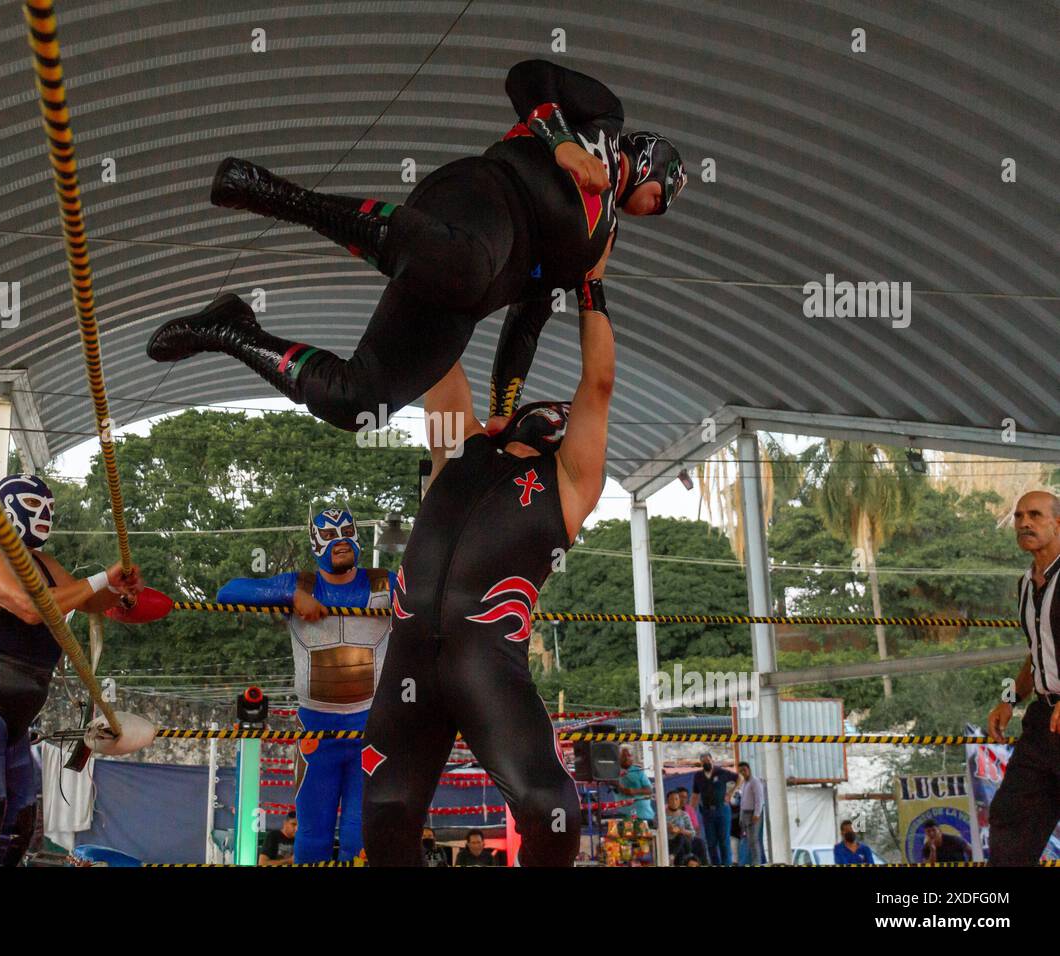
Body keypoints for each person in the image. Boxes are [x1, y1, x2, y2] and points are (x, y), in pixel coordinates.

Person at [146, 59, 684, 433]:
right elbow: (527, 77)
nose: (658, 208)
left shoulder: (599, 242)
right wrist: (563, 143)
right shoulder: (604, 122)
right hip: (480, 199)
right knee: (465, 266)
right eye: (664, 195)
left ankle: (229, 329)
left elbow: (527, 321)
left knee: (361, 403)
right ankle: (275, 195)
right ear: (656, 161)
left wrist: (504, 409)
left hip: (464, 292)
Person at [359, 277, 616, 867]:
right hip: (412, 665)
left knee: (549, 808)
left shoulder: (569, 484)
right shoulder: (461, 449)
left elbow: (597, 386)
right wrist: (441, 270)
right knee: (387, 812)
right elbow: (438, 354)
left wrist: (591, 288)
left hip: (486, 668)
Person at [0, 474, 141, 866]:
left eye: (48, 508)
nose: (43, 516)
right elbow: (34, 608)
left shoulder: (43, 563)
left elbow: (85, 600)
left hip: (17, 709)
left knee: (18, 826)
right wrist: (100, 579)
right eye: (32, 507)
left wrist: (117, 591)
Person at [217, 504, 391, 863]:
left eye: (346, 532)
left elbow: (434, 593)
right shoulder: (298, 584)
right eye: (328, 535)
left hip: (370, 725)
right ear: (314, 542)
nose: (339, 541)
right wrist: (290, 597)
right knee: (312, 832)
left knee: (362, 834)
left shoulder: (384, 583)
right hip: (316, 726)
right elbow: (228, 593)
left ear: (357, 536)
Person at [986, 490, 1060, 865]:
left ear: (1058, 523)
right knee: (1009, 818)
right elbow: (1036, 654)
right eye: (1018, 517)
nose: (1025, 523)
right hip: (1042, 725)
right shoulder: (1025, 585)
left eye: (1035, 515)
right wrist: (1008, 699)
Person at [691, 753, 738, 866]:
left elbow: (739, 778)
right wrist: (690, 812)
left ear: (712, 760)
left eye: (708, 760)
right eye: (703, 761)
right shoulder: (698, 776)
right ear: (701, 763)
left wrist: (731, 793)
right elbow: (695, 795)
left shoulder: (721, 772)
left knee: (724, 841)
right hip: (707, 812)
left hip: (722, 810)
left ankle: (726, 864)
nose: (706, 762)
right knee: (711, 843)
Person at [613, 747, 655, 824]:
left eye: (629, 755)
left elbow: (649, 790)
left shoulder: (638, 771)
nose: (626, 758)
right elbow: (622, 789)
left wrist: (633, 791)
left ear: (632, 757)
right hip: (625, 816)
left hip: (645, 816)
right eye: (623, 756)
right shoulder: (613, 771)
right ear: (618, 757)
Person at [735, 762, 765, 866]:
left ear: (749, 769)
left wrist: (757, 814)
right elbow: (742, 801)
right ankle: (751, 862)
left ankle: (756, 863)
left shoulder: (755, 782)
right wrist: (741, 817)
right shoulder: (744, 783)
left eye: (744, 770)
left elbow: (759, 799)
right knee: (748, 841)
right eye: (740, 771)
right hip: (744, 814)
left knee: (754, 840)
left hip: (753, 814)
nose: (743, 772)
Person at [664, 791, 700, 862]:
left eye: (676, 799)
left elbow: (692, 833)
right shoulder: (662, 814)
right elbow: (655, 827)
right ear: (667, 801)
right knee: (680, 851)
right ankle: (674, 857)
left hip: (683, 842)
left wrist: (681, 830)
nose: (674, 802)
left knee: (681, 837)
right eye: (671, 799)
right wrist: (666, 828)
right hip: (667, 842)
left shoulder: (684, 815)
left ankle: (672, 856)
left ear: (679, 801)